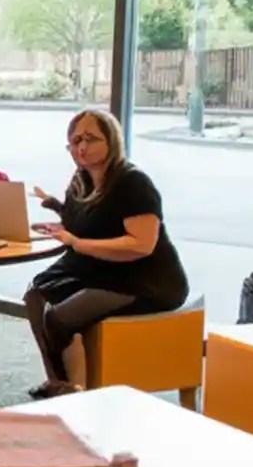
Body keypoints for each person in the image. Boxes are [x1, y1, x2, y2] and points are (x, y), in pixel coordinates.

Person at [26, 108, 189, 399]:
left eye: (90, 138)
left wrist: (78, 243)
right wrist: (59, 225)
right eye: (75, 141)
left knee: (59, 318)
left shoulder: (132, 183)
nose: (81, 147)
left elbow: (141, 245)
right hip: (97, 268)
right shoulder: (81, 180)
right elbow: (83, 223)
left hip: (142, 279)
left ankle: (75, 393)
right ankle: (59, 382)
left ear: (111, 141)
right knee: (35, 294)